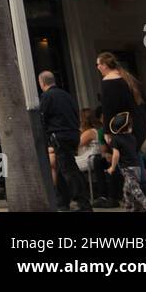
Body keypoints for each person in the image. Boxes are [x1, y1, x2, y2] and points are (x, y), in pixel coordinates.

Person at [38, 71, 91, 211]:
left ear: (42, 83)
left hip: (59, 136)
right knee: (62, 168)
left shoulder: (47, 96)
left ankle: (83, 203)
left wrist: (43, 139)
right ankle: (62, 202)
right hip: (73, 134)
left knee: (69, 170)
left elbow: (41, 118)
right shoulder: (67, 95)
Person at [106, 112, 146, 212]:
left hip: (127, 168)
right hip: (136, 167)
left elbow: (116, 155)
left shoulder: (115, 139)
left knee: (136, 191)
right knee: (127, 191)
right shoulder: (132, 138)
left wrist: (112, 167)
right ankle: (132, 209)